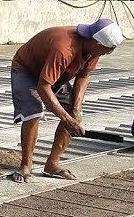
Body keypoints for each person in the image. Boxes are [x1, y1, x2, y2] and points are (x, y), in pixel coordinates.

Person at [8, 18, 124, 183]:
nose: (106, 54)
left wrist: (75, 110)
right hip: (27, 69)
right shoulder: (64, 49)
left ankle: (52, 165)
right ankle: (26, 165)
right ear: (96, 43)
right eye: (106, 51)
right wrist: (65, 118)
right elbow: (43, 86)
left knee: (74, 115)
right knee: (33, 113)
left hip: (53, 74)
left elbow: (83, 76)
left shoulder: (93, 49)